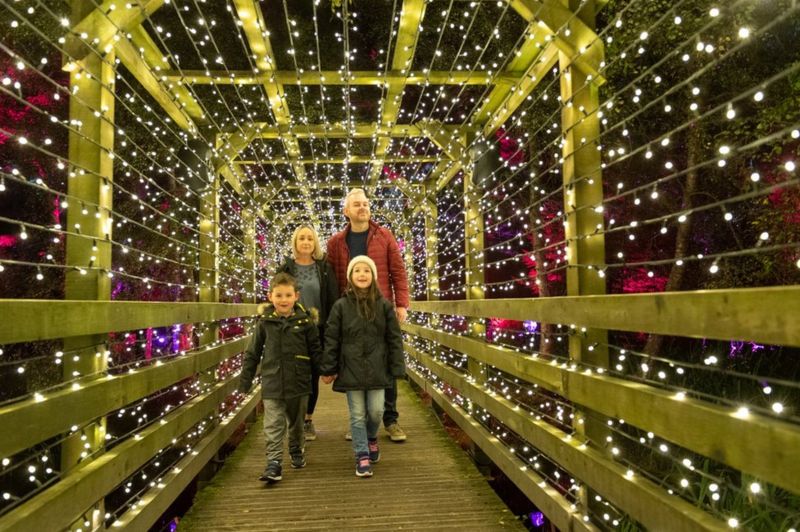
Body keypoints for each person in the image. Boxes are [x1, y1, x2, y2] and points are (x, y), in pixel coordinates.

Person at [326, 187, 410, 442]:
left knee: (384, 360)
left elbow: (398, 271)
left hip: (380, 308)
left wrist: (401, 304)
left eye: (365, 204)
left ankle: (391, 419)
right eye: (357, 204)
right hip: (350, 310)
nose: (362, 207)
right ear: (346, 211)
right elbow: (332, 279)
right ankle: (358, 422)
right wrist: (335, 311)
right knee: (353, 362)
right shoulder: (336, 242)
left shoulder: (384, 236)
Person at [320, 256, 405, 477]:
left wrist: (397, 366)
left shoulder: (384, 306)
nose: (362, 274)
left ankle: (371, 437)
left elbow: (394, 338)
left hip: (378, 366)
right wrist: (329, 368)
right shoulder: (341, 306)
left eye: (366, 270)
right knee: (357, 414)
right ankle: (362, 454)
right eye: (357, 270)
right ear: (350, 276)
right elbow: (332, 338)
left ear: (373, 276)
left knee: (376, 411)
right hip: (351, 367)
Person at [238, 272, 322, 483]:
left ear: (296, 296)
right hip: (273, 380)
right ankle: (274, 463)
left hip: (299, 381)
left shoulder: (305, 322)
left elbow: (316, 350)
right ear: (270, 297)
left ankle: (296, 449)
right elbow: (253, 352)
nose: (283, 300)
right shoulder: (265, 323)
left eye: (288, 295)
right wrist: (245, 380)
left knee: (296, 422)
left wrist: (326, 372)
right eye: (279, 295)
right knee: (273, 423)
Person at [277, 224, 339, 441]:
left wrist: (332, 329)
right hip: (292, 330)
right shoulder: (286, 269)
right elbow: (276, 296)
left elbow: (332, 299)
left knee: (312, 375)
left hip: (317, 330)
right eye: (301, 238)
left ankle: (307, 420)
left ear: (315, 243)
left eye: (310, 239)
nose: (306, 242)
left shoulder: (324, 269)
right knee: (294, 376)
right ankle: (293, 418)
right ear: (295, 242)